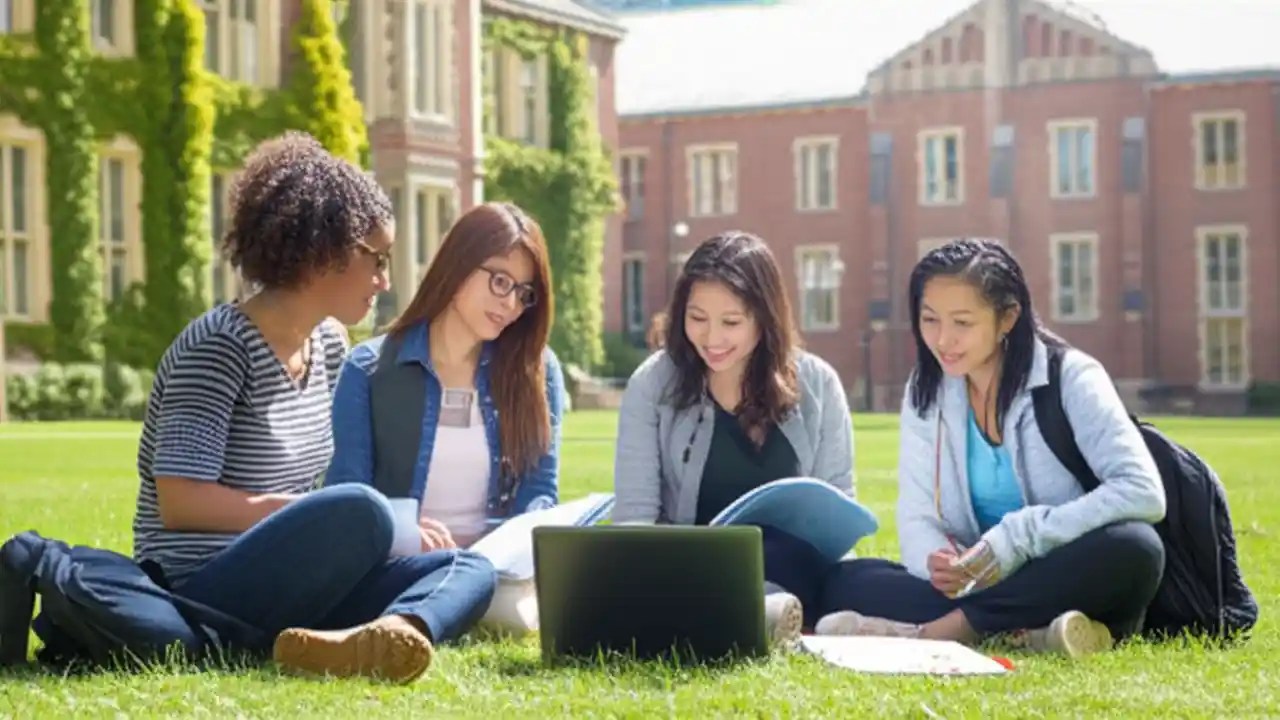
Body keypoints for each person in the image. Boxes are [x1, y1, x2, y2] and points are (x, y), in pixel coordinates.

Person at [129, 132, 496, 684]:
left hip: (296, 580)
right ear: (323, 251)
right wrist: (312, 514)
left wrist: (397, 529)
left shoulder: (327, 344)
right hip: (200, 587)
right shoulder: (218, 347)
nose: (384, 280)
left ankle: (385, 634)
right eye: (376, 258)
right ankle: (341, 627)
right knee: (363, 511)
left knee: (468, 566)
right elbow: (181, 503)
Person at [815, 238, 1166, 658]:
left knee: (1136, 548)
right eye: (930, 320)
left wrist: (1015, 541)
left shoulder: (1071, 376)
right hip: (979, 578)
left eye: (962, 323)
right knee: (843, 580)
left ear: (1008, 318)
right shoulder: (927, 390)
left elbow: (1143, 491)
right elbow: (917, 511)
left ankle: (949, 629)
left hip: (1062, 567)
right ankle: (1030, 632)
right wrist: (943, 563)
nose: (943, 340)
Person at [612, 231, 859, 646]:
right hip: (694, 572)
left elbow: (840, 512)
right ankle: (769, 611)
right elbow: (636, 521)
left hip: (801, 565)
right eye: (697, 318)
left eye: (731, 322)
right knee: (720, 567)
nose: (712, 339)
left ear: (765, 318)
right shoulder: (653, 385)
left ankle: (797, 612)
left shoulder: (818, 383)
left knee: (878, 582)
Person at [326, 202, 564, 550]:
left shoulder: (537, 370)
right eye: (500, 281)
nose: (511, 304)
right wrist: (402, 531)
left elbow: (539, 493)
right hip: (397, 565)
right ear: (458, 268)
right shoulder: (367, 369)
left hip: (493, 569)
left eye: (524, 293)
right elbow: (346, 499)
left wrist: (509, 549)